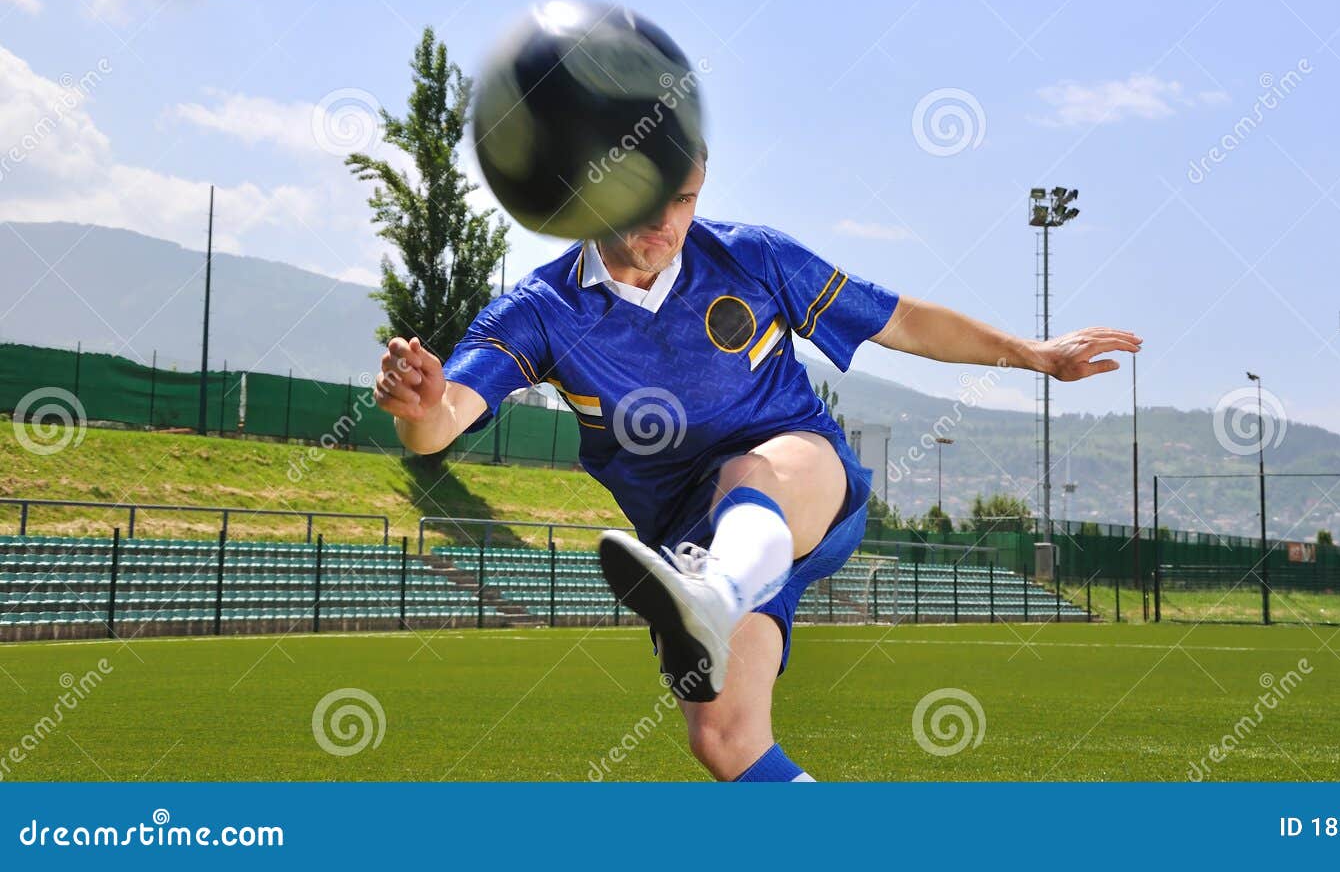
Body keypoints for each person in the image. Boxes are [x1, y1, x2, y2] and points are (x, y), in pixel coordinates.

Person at [374, 151, 1139, 782]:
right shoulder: (542, 309)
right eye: (647, 198)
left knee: (750, 472)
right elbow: (442, 423)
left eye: (686, 199)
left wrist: (1031, 354)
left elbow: (899, 319)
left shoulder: (753, 256)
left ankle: (716, 594)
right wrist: (421, 406)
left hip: (805, 481)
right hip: (686, 542)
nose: (667, 223)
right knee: (725, 739)